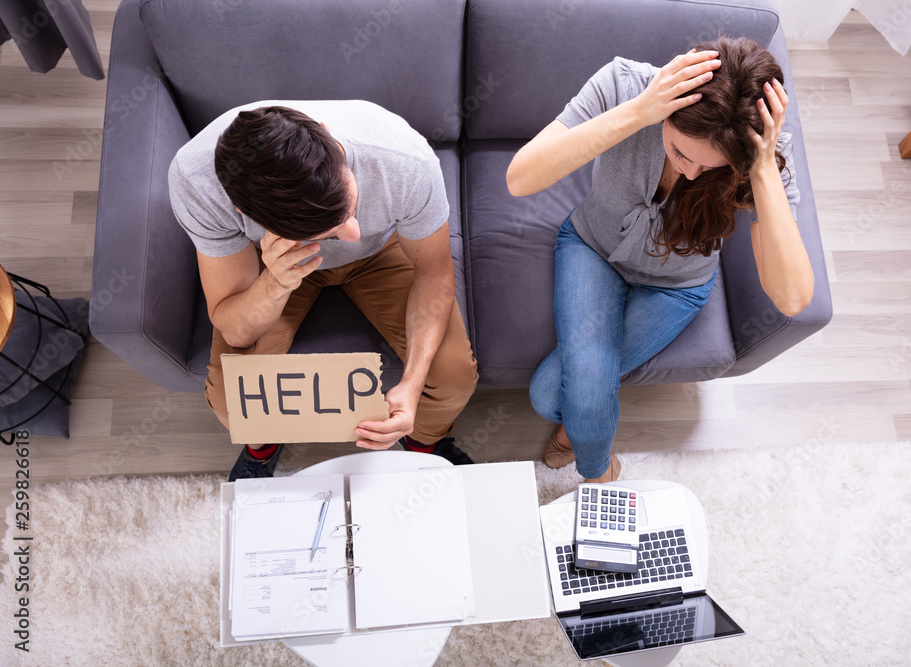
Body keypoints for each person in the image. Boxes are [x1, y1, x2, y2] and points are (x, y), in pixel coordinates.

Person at [506, 37, 815, 484]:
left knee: (552, 394)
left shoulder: (762, 151)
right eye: (680, 153)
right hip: (592, 248)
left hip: (676, 287)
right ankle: (602, 472)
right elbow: (520, 178)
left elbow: (792, 298)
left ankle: (579, 438)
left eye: (710, 167)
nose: (690, 173)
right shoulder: (624, 85)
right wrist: (639, 113)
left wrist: (762, 167)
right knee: (562, 396)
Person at [168, 101, 479, 481]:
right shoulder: (197, 183)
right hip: (271, 264)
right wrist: (274, 283)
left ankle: (423, 443)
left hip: (383, 251)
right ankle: (262, 448)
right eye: (330, 229)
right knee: (232, 398)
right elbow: (236, 332)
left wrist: (412, 384)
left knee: (452, 377)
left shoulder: (405, 160)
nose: (352, 233)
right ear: (243, 213)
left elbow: (434, 273)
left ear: (328, 134)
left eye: (349, 205)